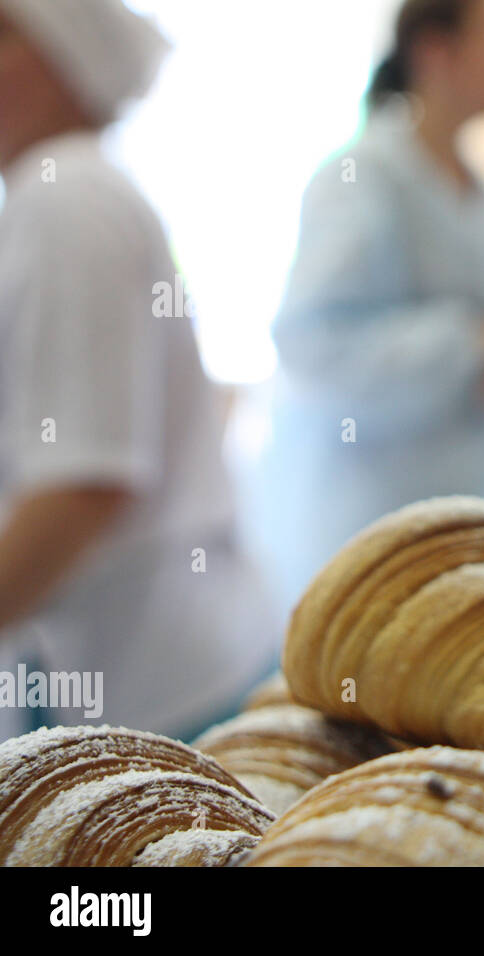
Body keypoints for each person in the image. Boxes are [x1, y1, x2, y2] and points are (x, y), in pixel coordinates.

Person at [0, 0, 278, 740]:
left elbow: (81, 485)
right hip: (182, 659)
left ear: (70, 58)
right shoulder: (75, 190)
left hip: (151, 686)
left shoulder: (62, 202)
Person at [252, 0, 484, 619]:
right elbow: (312, 345)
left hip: (471, 523)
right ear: (434, 52)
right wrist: (475, 344)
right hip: (362, 529)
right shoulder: (359, 178)